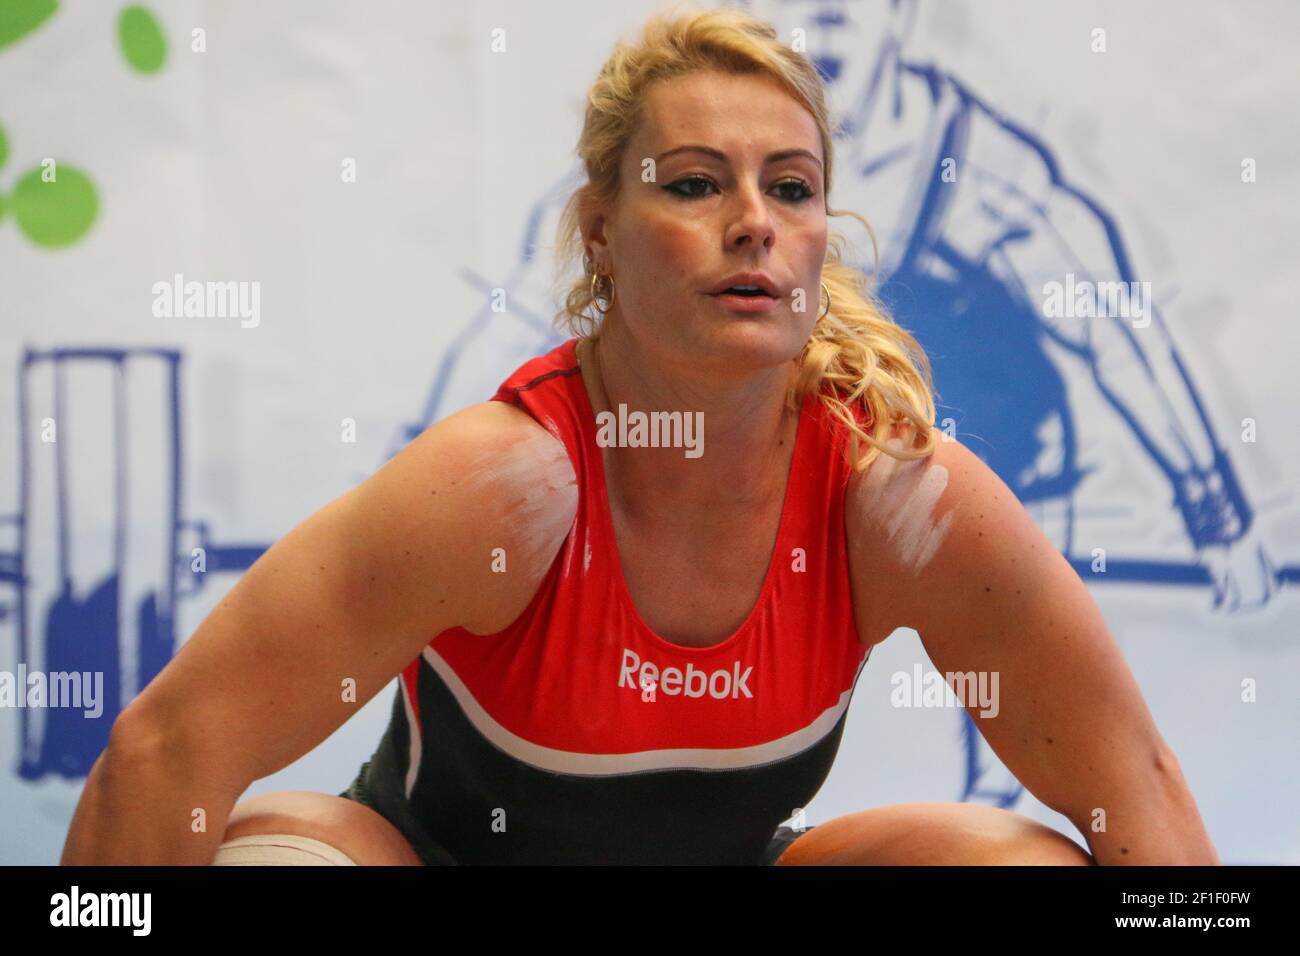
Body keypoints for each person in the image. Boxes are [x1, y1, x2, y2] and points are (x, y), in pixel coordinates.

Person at [61, 6, 1217, 866]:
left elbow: (1141, 795)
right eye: (697, 183)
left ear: (825, 233)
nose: (755, 223)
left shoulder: (895, 496)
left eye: (793, 188)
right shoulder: (497, 485)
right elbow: (166, 756)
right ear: (601, 233)